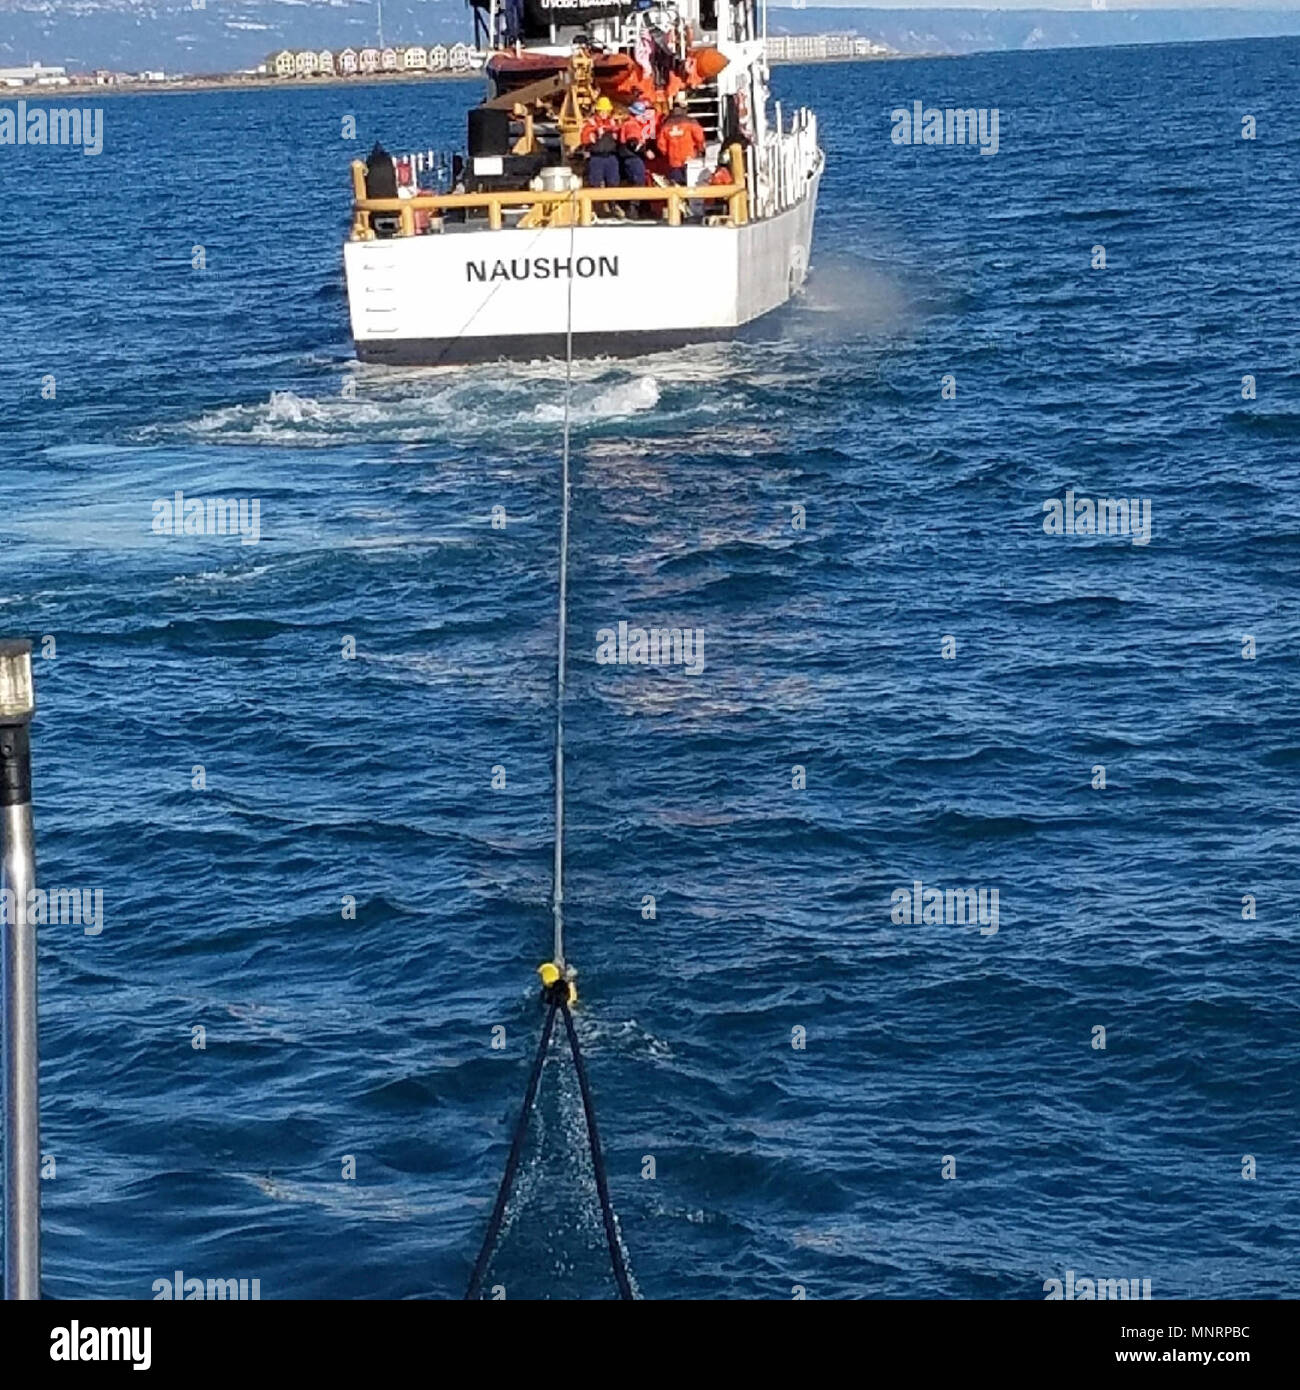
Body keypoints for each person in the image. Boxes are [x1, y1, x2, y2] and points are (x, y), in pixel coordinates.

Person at [656, 93, 706, 187]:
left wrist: (668, 153)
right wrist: (700, 150)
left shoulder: (666, 125)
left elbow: (661, 145)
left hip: (673, 160)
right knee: (691, 183)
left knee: (676, 185)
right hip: (689, 158)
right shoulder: (691, 122)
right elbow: (699, 138)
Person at [618, 98, 657, 217]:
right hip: (633, 158)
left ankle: (637, 208)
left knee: (637, 182)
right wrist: (646, 152)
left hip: (632, 158)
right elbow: (633, 143)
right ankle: (633, 210)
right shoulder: (632, 125)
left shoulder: (631, 124)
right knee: (638, 182)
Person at [580, 95, 622, 191]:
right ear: (597, 111)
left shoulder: (613, 123)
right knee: (595, 183)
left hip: (611, 157)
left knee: (613, 182)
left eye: (606, 111)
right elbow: (584, 138)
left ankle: (612, 204)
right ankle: (596, 205)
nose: (604, 113)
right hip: (596, 157)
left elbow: (621, 137)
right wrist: (595, 133)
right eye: (601, 111)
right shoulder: (591, 123)